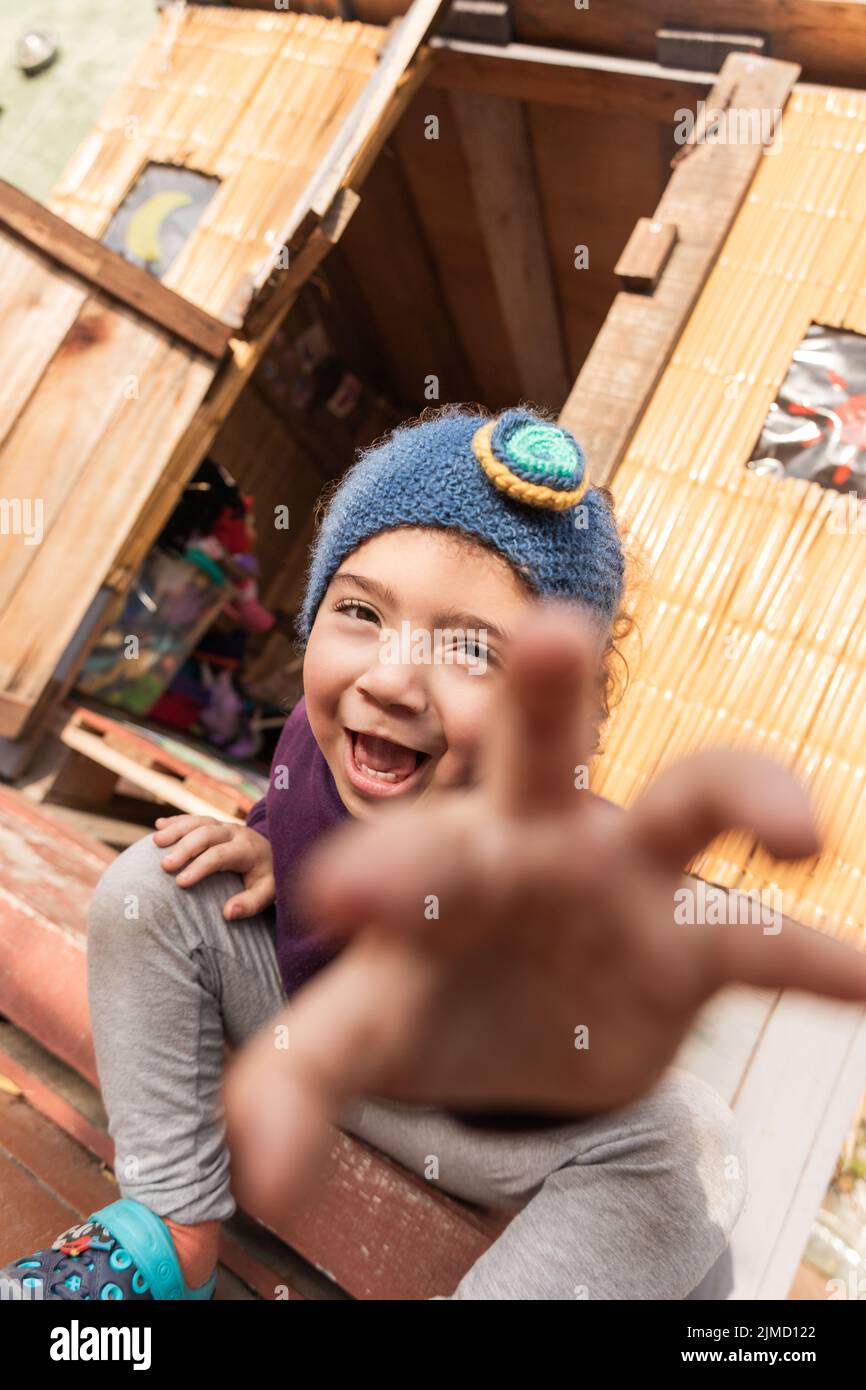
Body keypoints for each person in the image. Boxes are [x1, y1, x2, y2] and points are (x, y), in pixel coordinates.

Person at [4, 406, 865, 1302]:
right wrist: (262, 841)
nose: (387, 677)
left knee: (692, 1142)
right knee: (152, 885)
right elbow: (296, 814)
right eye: (361, 613)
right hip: (304, 1027)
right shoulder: (317, 730)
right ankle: (171, 1227)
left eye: (467, 650)